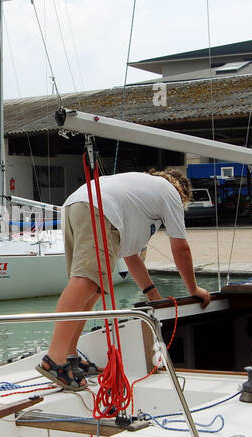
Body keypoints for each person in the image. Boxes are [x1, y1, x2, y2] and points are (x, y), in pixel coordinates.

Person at [38, 167, 212, 389]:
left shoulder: (142, 195)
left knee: (93, 289)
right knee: (86, 281)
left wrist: (153, 296)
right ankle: (54, 359)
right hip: (99, 208)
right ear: (183, 195)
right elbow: (181, 249)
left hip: (76, 204)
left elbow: (131, 257)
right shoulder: (171, 194)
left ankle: (70, 356)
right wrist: (193, 289)